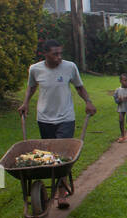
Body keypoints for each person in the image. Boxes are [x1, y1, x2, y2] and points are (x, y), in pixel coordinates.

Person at [18, 40, 96, 208]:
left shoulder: (70, 67)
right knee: (50, 156)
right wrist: (25, 103)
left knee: (61, 156)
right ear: (45, 54)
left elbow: (79, 87)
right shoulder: (35, 69)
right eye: (55, 54)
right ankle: (57, 187)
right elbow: (31, 87)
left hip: (66, 118)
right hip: (44, 118)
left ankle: (61, 194)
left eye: (61, 53)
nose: (59, 57)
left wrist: (88, 102)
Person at [112, 72, 127, 142]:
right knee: (121, 120)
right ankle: (122, 136)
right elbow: (116, 100)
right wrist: (119, 100)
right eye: (125, 80)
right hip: (121, 108)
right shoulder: (117, 90)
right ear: (120, 81)